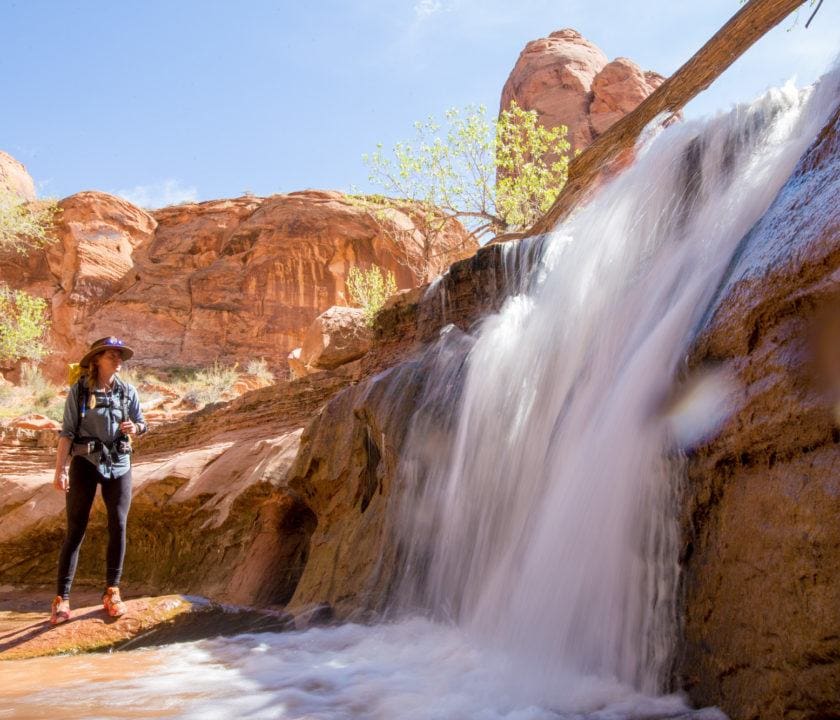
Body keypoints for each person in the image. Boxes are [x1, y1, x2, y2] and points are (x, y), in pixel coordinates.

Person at [50, 336, 148, 625]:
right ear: (96, 360)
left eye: (119, 355)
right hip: (85, 463)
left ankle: (112, 592)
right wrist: (61, 470)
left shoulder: (127, 392)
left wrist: (136, 427)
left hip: (119, 463)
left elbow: (143, 424)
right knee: (75, 529)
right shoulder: (79, 391)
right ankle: (61, 599)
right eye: (111, 355)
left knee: (118, 525)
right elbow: (67, 432)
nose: (118, 360)